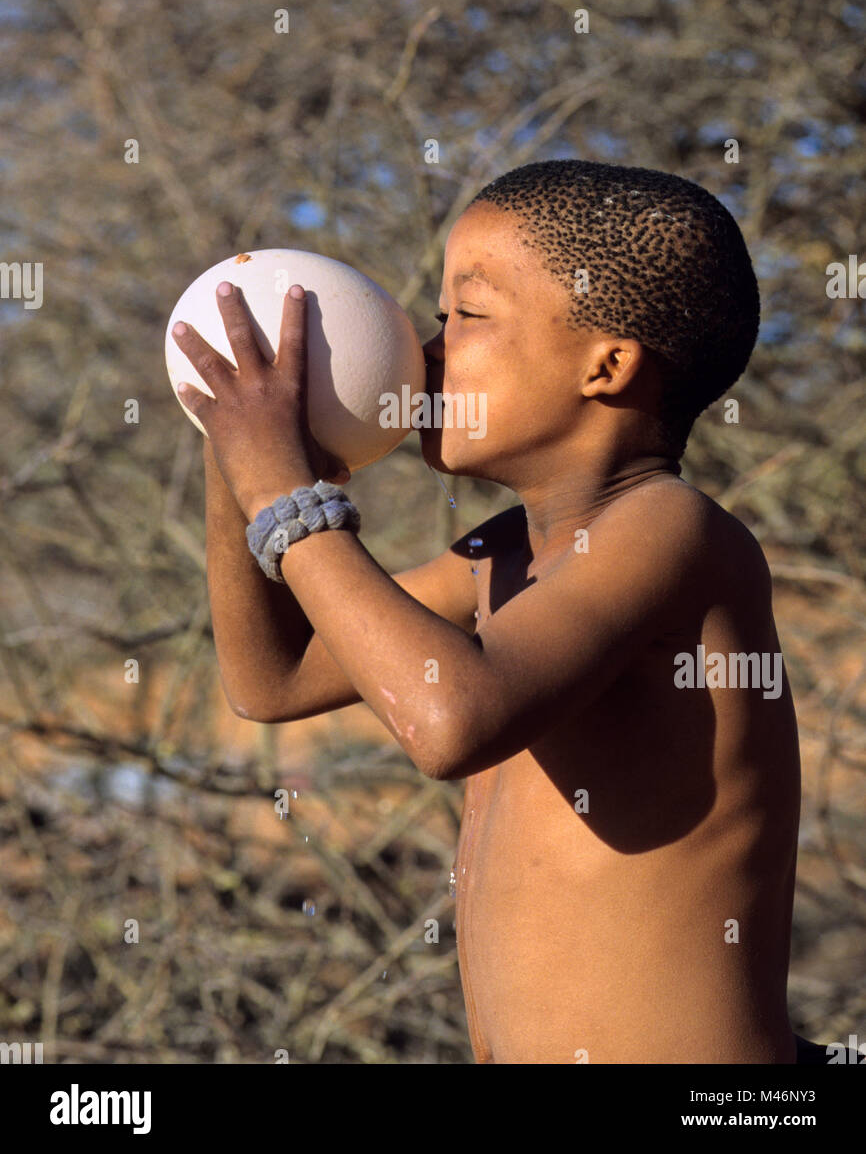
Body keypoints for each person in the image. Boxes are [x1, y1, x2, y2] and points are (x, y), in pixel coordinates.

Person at [183, 158, 821, 1063]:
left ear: (607, 365)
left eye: (467, 316)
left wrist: (285, 492)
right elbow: (271, 680)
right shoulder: (500, 555)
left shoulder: (672, 534)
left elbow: (450, 721)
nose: (431, 349)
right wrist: (233, 449)